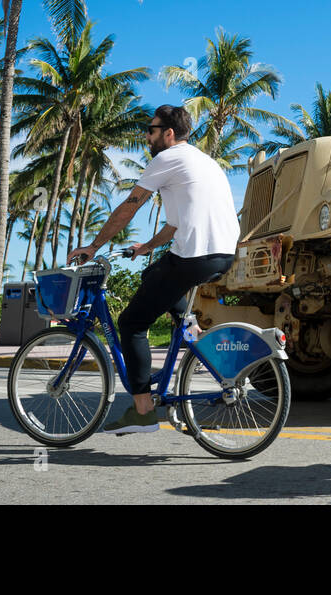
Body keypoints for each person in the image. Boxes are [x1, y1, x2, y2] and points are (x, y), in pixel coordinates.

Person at [68, 104, 239, 434]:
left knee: (131, 322)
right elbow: (174, 225)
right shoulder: (203, 161)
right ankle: (191, 335)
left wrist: (94, 247)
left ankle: (143, 411)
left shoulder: (167, 158)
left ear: (168, 133)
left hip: (194, 256)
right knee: (153, 274)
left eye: (151, 130)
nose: (147, 136)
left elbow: (129, 207)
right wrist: (146, 248)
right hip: (221, 254)